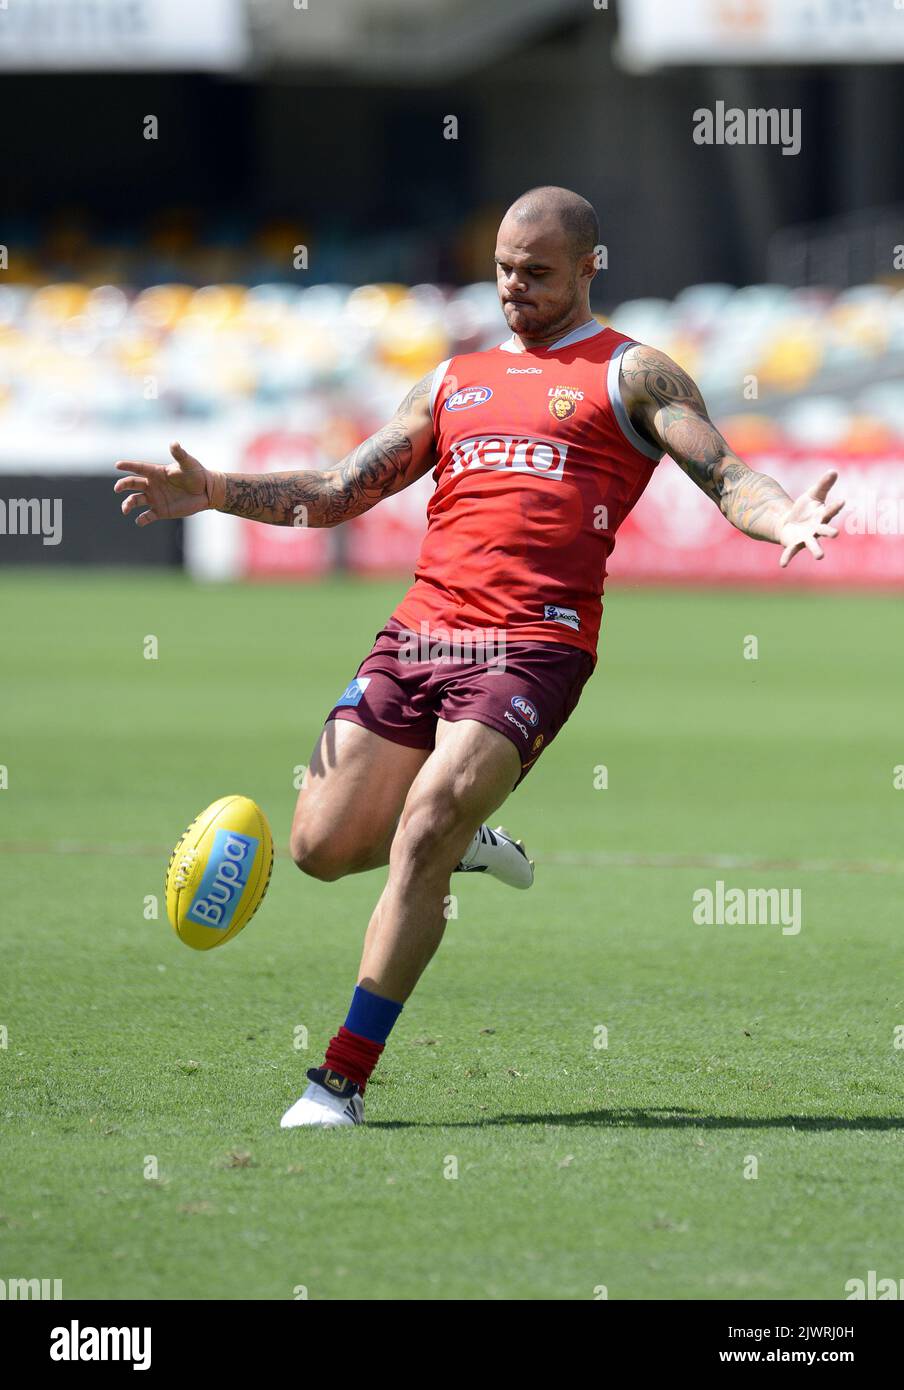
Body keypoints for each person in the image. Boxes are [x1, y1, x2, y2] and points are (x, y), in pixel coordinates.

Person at [114, 186, 843, 1127]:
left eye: (536, 273)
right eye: (503, 268)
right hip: (422, 632)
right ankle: (463, 844)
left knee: (421, 830)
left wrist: (782, 514)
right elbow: (339, 490)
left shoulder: (634, 375)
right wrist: (217, 490)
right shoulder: (455, 382)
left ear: (589, 268)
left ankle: (339, 1081)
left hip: (535, 645)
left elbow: (727, 473)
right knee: (319, 849)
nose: (514, 288)